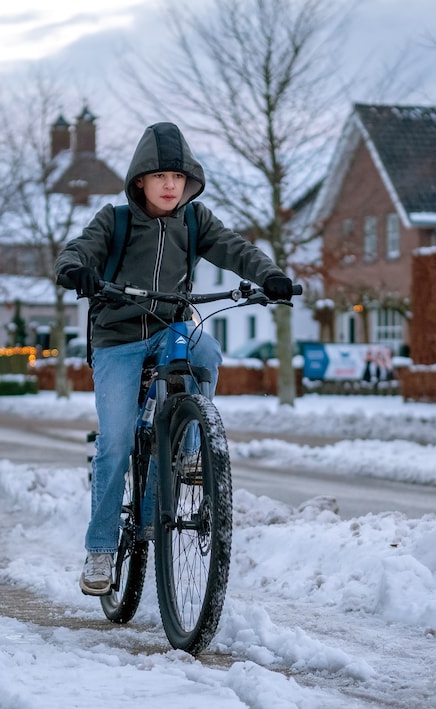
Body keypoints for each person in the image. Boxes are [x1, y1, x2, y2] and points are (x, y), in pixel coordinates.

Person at [56, 121, 293, 596]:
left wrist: (270, 275)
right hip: (118, 339)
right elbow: (79, 249)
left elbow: (236, 250)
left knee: (204, 346)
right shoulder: (114, 220)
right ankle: (101, 548)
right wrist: (75, 269)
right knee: (117, 441)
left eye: (179, 178)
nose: (170, 185)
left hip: (171, 331)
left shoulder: (194, 220)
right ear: (140, 180)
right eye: (160, 175)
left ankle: (187, 449)